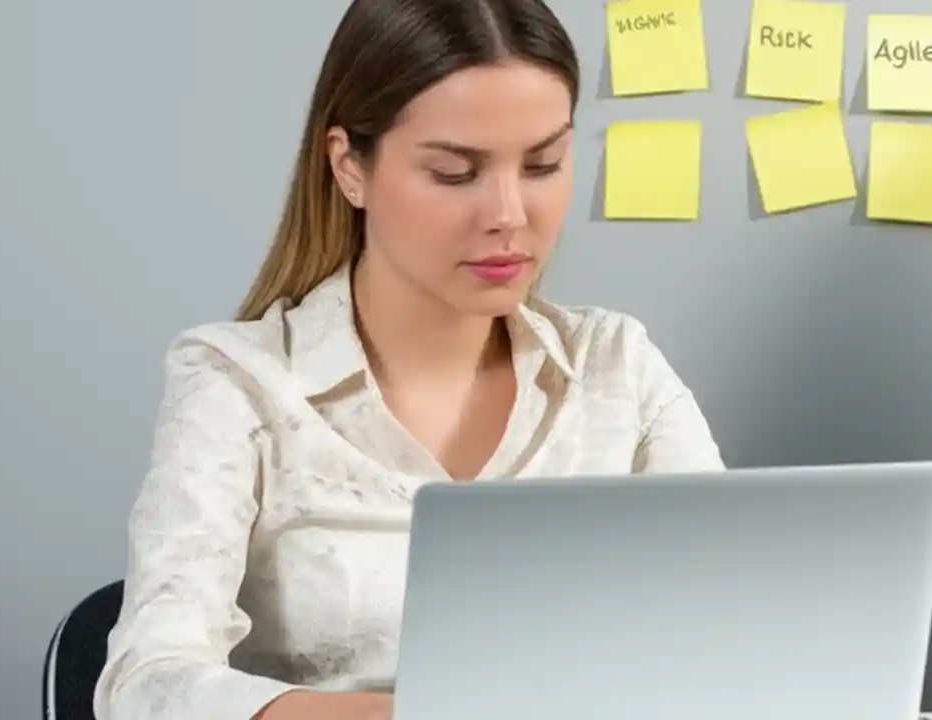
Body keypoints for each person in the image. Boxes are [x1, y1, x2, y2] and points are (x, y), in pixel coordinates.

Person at [93, 0, 724, 718]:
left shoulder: (619, 366)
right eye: (456, 173)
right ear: (349, 167)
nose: (509, 214)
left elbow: (729, 633)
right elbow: (146, 686)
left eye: (544, 164)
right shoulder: (237, 384)